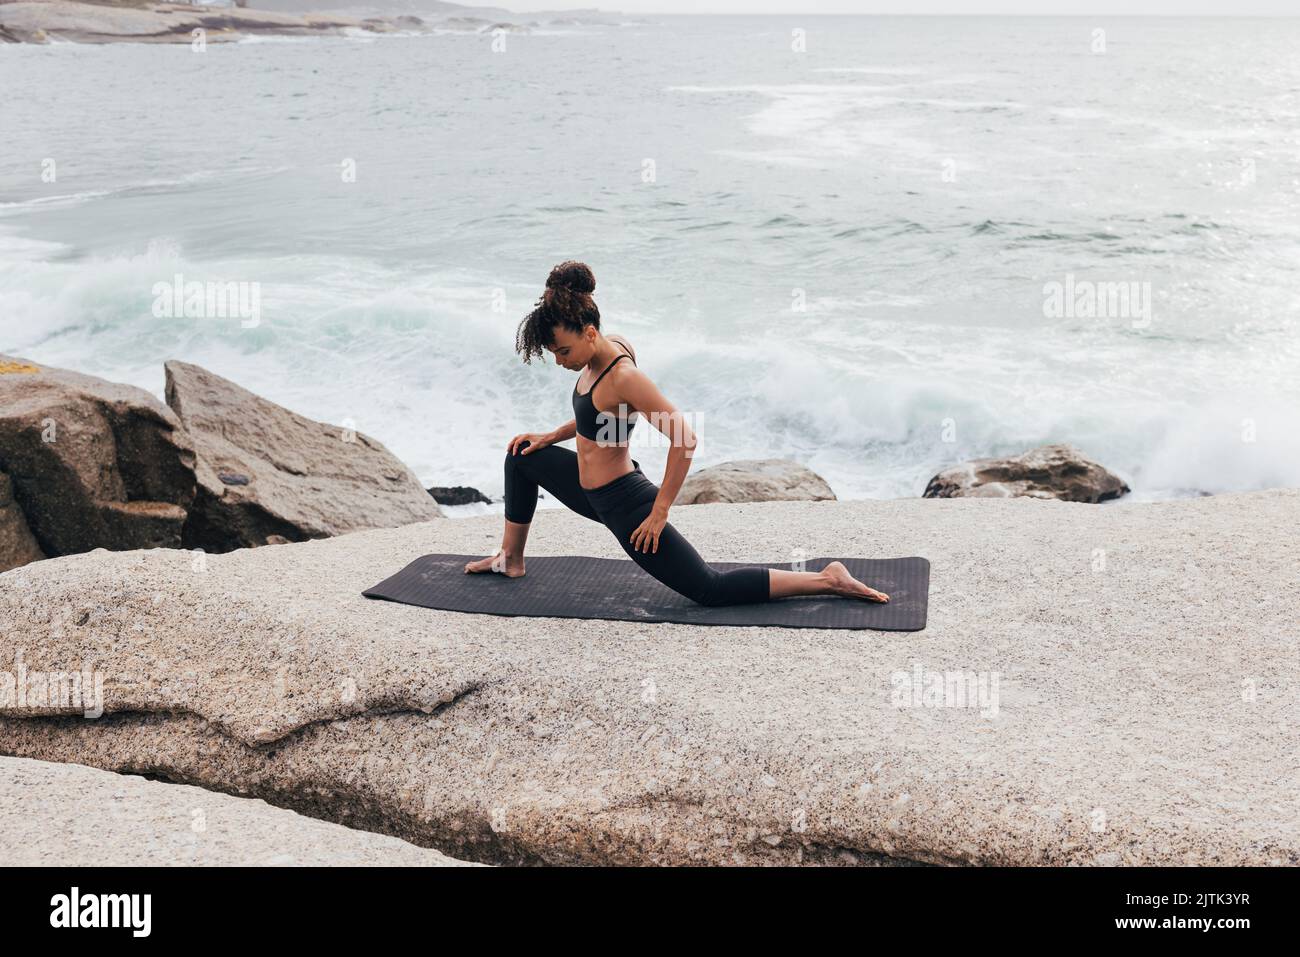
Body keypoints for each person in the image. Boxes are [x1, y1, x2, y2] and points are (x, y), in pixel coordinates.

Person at [465, 260, 889, 606]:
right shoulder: (605, 350)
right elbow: (600, 420)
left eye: (562, 351)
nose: (559, 362)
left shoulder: (624, 375)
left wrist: (659, 512)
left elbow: (684, 438)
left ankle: (827, 579)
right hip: (587, 490)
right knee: (520, 454)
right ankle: (510, 559)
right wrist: (549, 437)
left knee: (708, 589)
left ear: (590, 334)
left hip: (623, 504)